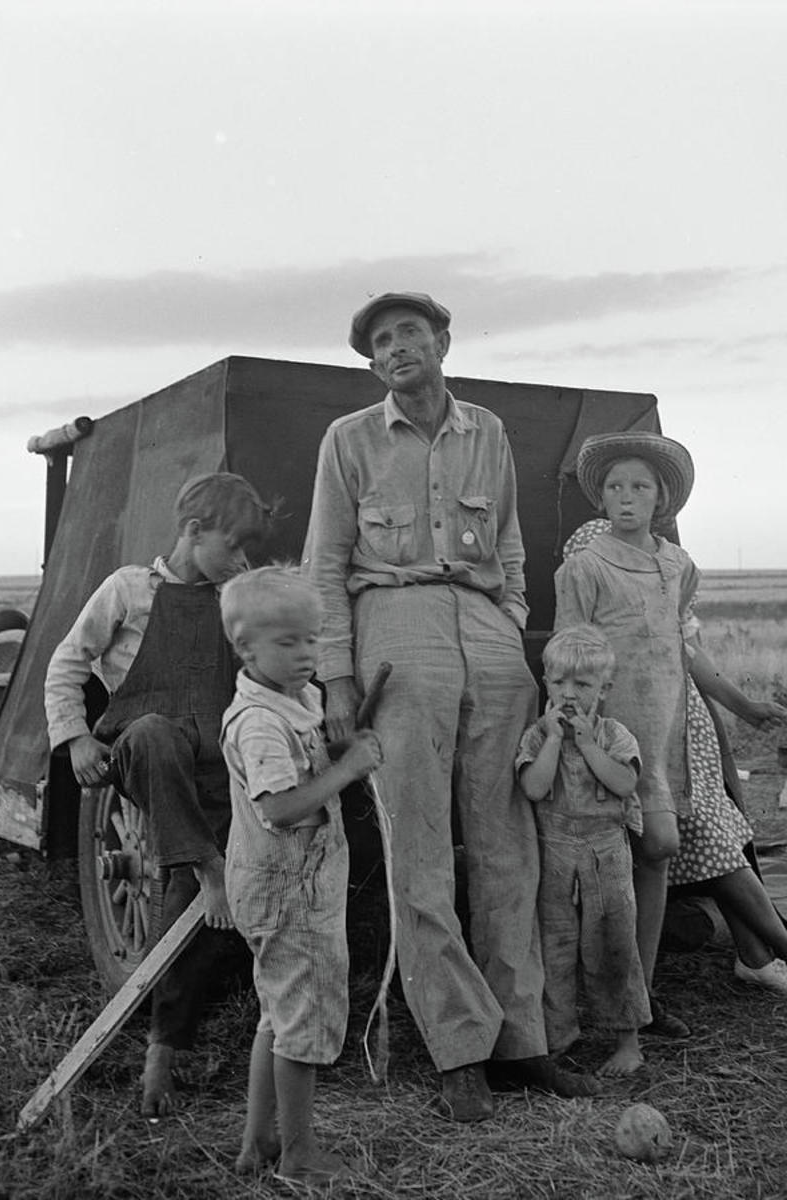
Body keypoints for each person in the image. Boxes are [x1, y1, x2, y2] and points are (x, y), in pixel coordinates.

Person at [304, 291, 597, 1122]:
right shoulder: (348, 440)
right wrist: (336, 678)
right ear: (371, 363)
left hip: (486, 632)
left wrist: (504, 621)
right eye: (381, 342)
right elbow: (324, 564)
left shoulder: (488, 432)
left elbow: (508, 541)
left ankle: (522, 1043)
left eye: (410, 334)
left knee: (509, 844)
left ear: (441, 342)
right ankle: (458, 1049)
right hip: (395, 627)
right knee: (420, 846)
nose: (397, 349)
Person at [555, 432, 787, 1006]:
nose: (627, 497)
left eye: (641, 486)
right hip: (623, 718)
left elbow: (686, 650)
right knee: (667, 846)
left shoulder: (677, 565)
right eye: (616, 486)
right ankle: (771, 957)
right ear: (602, 496)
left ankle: (750, 961)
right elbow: (577, 646)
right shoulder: (588, 549)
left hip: (681, 723)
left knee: (699, 842)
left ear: (663, 497)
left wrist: (744, 706)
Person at [44, 472, 276, 1115]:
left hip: (212, 774)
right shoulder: (127, 589)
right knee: (153, 734)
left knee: (182, 911)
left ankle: (162, 1054)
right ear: (193, 531)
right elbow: (66, 663)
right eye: (232, 547)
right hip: (142, 756)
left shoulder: (234, 596)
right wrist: (75, 742)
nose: (241, 561)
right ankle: (209, 866)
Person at [219, 566, 383, 1187]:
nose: (306, 654)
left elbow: (302, 767)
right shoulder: (260, 722)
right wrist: (350, 770)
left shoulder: (293, 700)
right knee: (304, 1022)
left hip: (284, 883)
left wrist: (340, 753)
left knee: (277, 1014)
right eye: (288, 643)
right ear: (246, 648)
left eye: (312, 640)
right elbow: (282, 807)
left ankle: (259, 1138)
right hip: (288, 888)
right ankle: (300, 1154)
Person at [517, 623, 650, 1077]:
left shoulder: (614, 736)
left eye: (583, 684)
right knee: (554, 943)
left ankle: (627, 1040)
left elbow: (624, 782)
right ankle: (559, 1037)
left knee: (613, 942)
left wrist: (588, 744)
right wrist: (554, 739)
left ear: (605, 690)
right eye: (559, 682)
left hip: (605, 852)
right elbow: (534, 788)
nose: (569, 694)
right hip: (553, 850)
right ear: (545, 684)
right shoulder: (537, 737)